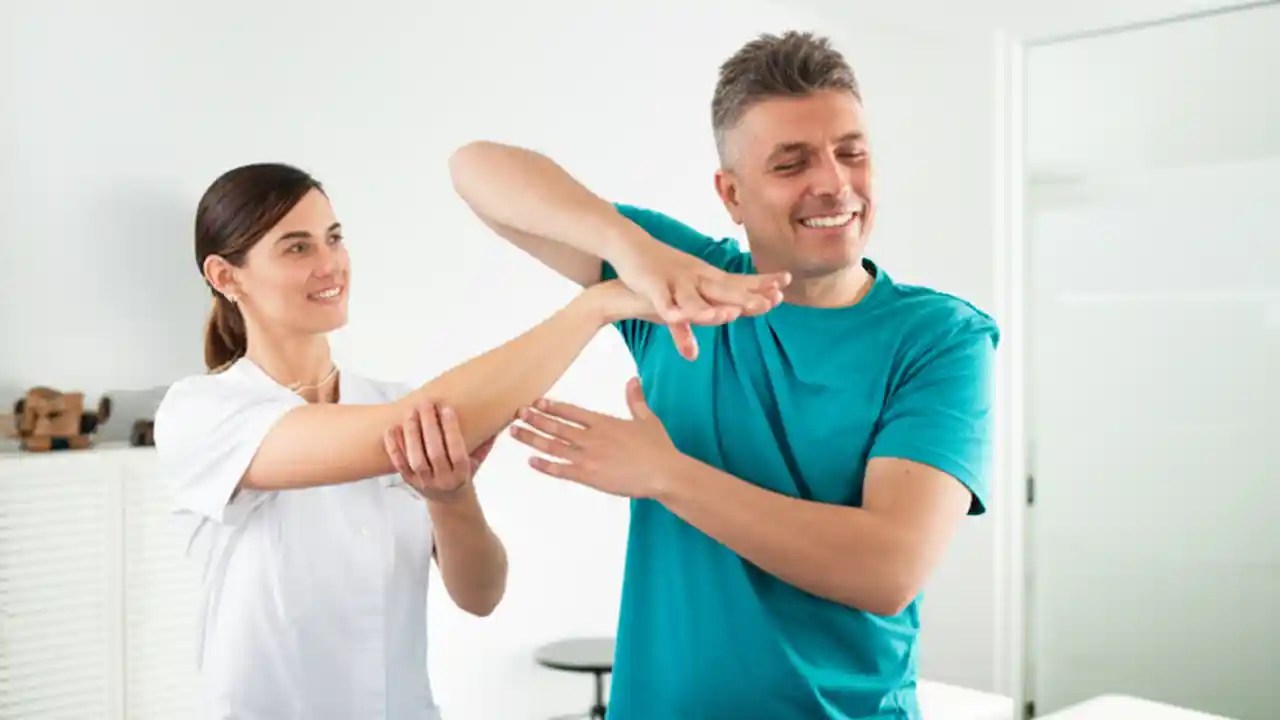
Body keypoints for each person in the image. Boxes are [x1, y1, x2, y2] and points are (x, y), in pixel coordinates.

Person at [449, 30, 999, 720]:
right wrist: (627, 248)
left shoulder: (940, 337)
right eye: (792, 163)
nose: (834, 183)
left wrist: (666, 476)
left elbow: (886, 569)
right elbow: (475, 170)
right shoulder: (683, 281)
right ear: (731, 194)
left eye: (851, 153)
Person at [153, 162, 789, 720]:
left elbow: (481, 595)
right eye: (296, 247)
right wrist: (595, 306)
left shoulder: (390, 400)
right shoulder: (204, 413)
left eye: (334, 238)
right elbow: (411, 424)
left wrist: (452, 499)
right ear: (226, 276)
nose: (329, 264)